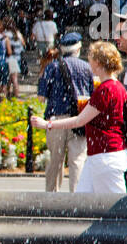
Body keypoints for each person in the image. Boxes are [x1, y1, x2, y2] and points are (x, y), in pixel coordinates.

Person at [32, 41, 127, 195]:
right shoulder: (118, 87)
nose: (88, 62)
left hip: (105, 156)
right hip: (102, 155)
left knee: (117, 209)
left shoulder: (105, 90)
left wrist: (47, 124)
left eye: (90, 58)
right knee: (81, 203)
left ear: (97, 62)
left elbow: (79, 120)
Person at [36, 32, 93, 192]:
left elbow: (41, 97)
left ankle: (52, 198)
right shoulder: (86, 68)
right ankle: (76, 198)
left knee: (55, 160)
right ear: (79, 48)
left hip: (56, 120)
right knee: (77, 161)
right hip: (80, 119)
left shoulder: (52, 67)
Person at [4, 17, 26, 98]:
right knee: (13, 78)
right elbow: (23, 44)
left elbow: (7, 48)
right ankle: (13, 95)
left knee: (11, 79)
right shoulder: (17, 33)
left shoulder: (5, 34)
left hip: (10, 58)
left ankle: (13, 96)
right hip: (18, 58)